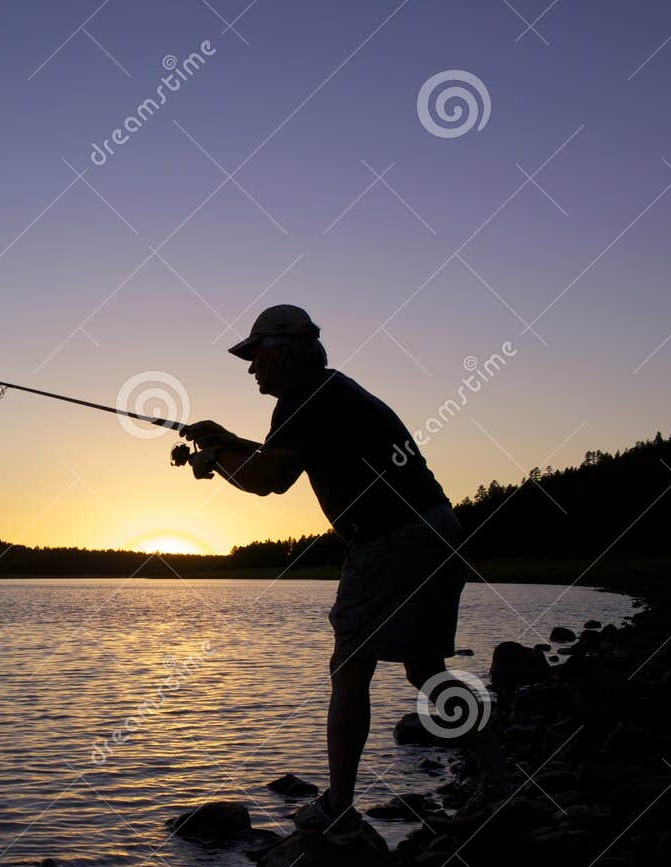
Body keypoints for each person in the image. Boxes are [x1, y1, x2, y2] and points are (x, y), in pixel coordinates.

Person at [183, 304, 510, 838]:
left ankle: (338, 806)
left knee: (351, 666)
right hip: (436, 528)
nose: (250, 369)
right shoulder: (328, 390)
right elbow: (282, 454)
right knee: (426, 669)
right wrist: (225, 441)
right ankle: (499, 781)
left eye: (255, 354)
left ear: (283, 350)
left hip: (389, 540)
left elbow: (270, 479)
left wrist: (214, 461)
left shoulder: (301, 397)